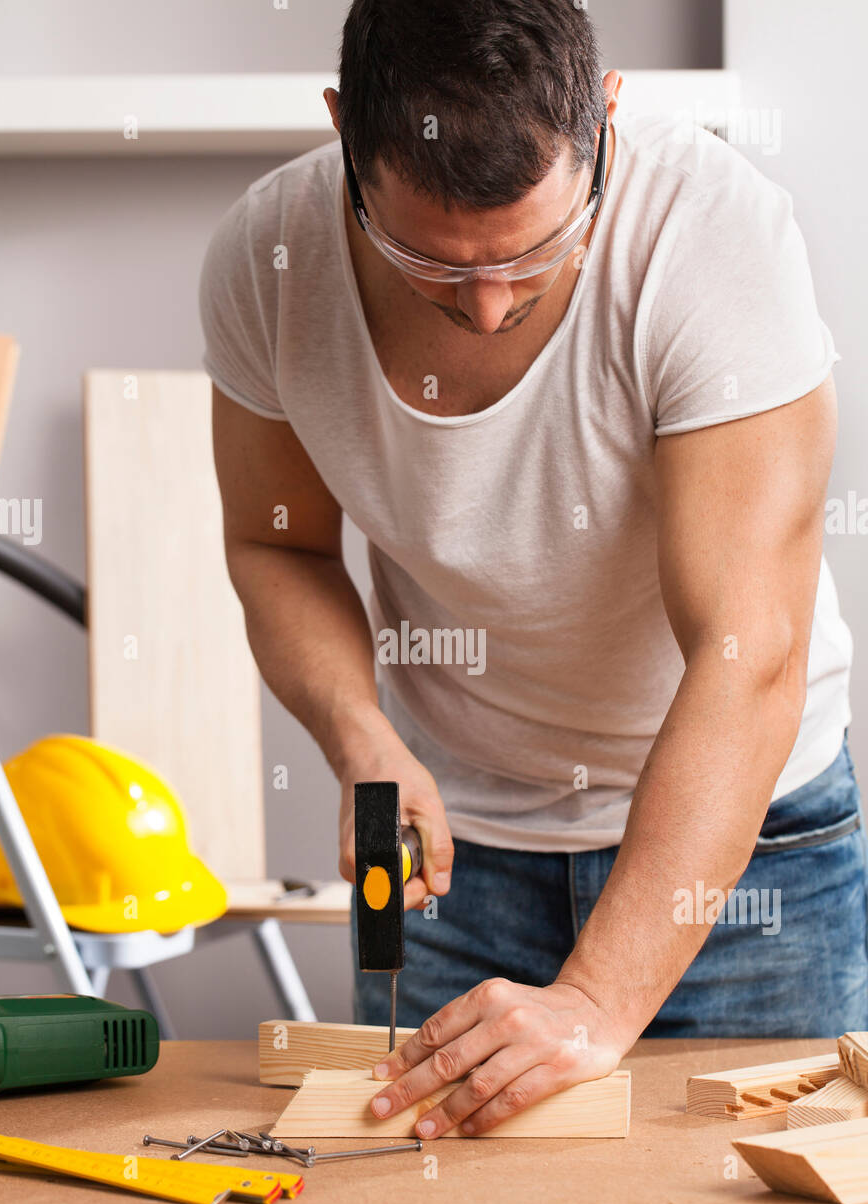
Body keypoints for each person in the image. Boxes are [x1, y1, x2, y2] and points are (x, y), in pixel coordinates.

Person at [199, 0, 865, 1139]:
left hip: (747, 863)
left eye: (533, 252)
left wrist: (598, 999)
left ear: (604, 121)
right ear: (339, 133)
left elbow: (747, 653)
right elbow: (279, 543)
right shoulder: (268, 258)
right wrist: (359, 735)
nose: (488, 306)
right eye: (426, 262)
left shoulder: (714, 240)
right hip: (460, 856)